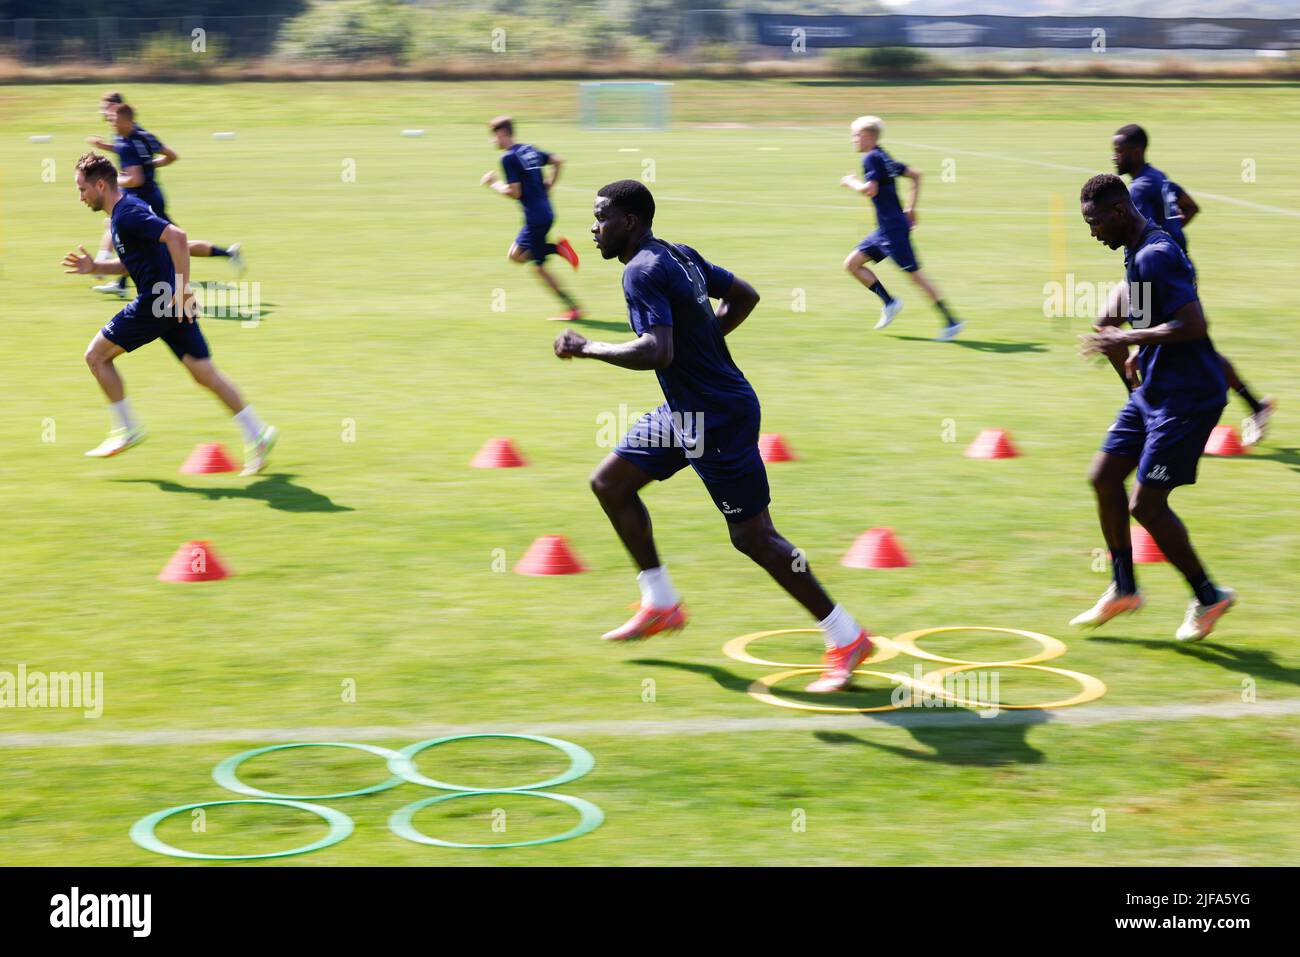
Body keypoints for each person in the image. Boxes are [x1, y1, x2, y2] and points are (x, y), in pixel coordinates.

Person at [554, 179, 874, 693]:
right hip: (686, 412)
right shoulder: (677, 254)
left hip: (714, 418)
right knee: (610, 484)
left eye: (601, 218)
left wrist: (587, 347)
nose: (593, 229)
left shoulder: (641, 272)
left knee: (753, 537)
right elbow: (745, 295)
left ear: (629, 222)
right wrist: (699, 344)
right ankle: (660, 603)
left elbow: (656, 352)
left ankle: (846, 635)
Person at [1073, 173, 1234, 642]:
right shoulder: (1135, 248)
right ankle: (1124, 587)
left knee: (1146, 503)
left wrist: (1129, 337)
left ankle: (1209, 596)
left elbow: (1193, 324)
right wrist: (1119, 336)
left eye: (1095, 222)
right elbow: (1141, 304)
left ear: (1118, 213)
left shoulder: (1156, 255)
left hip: (1189, 399)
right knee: (1103, 477)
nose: (1092, 232)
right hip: (1155, 395)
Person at [62, 153, 276, 476]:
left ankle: (127, 428)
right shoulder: (124, 211)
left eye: (82, 189)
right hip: (170, 302)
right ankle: (257, 432)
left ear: (101, 185)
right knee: (204, 373)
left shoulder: (127, 214)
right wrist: (96, 267)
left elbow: (177, 237)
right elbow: (134, 262)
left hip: (157, 302)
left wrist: (182, 287)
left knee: (96, 357)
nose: (80, 197)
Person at [1112, 123, 1273, 444]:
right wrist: (1171, 234)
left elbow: (1133, 239)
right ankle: (1255, 405)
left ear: (1136, 151)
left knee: (1111, 329)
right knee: (1192, 346)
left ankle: (1141, 406)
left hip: (1155, 273)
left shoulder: (1141, 189)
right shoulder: (1159, 178)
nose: (1114, 157)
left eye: (1119, 150)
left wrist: (1157, 251)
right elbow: (1190, 207)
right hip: (1173, 267)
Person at [86, 102, 244, 298]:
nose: (111, 124)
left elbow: (136, 179)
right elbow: (172, 156)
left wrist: (113, 179)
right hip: (154, 195)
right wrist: (148, 165)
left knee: (172, 242)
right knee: (153, 239)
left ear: (126, 120)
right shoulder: (144, 136)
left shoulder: (126, 144)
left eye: (114, 120)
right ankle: (121, 282)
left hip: (142, 202)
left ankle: (225, 255)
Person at [840, 115, 963, 340]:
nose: (852, 140)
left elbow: (870, 190)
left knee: (916, 277)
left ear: (867, 136)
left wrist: (851, 183)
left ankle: (951, 321)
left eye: (855, 135)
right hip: (885, 228)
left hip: (893, 230)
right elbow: (915, 175)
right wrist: (911, 208)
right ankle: (890, 302)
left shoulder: (872, 158)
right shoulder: (883, 156)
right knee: (852, 264)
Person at [480, 116, 582, 321]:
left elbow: (515, 193)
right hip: (545, 213)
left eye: (494, 136)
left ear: (502, 133)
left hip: (536, 218)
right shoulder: (528, 149)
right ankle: (556, 249)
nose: (493, 141)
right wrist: (549, 185)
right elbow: (557, 161)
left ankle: (573, 308)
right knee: (515, 255)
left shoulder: (508, 158)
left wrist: (493, 184)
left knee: (539, 268)